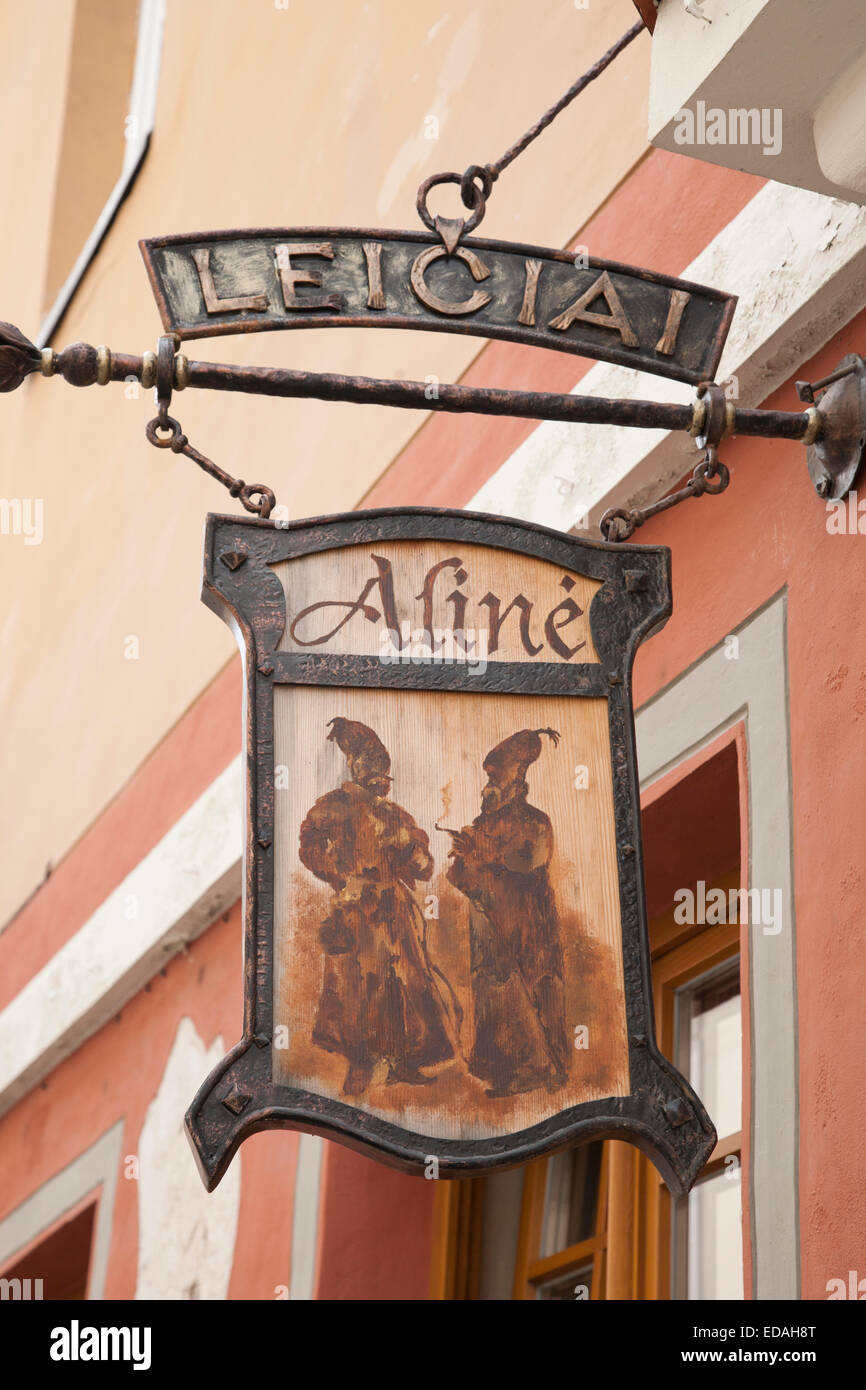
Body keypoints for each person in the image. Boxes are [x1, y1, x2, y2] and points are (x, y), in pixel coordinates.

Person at [299, 717, 455, 1096]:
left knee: (405, 982)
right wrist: (341, 875)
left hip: (394, 912)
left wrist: (408, 845)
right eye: (374, 772)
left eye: (384, 774)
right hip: (355, 913)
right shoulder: (333, 807)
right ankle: (361, 1065)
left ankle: (402, 1061)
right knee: (358, 987)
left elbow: (424, 867)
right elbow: (309, 848)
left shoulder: (395, 814)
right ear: (358, 769)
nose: (381, 781)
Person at [444, 727, 568, 1097]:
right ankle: (504, 1072)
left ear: (516, 780)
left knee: (534, 989)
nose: (489, 785)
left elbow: (529, 863)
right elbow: (460, 878)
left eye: (495, 777)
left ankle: (545, 1069)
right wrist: (464, 856)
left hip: (527, 924)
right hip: (487, 928)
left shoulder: (535, 820)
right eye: (488, 778)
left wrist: (484, 858)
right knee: (494, 996)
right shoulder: (480, 825)